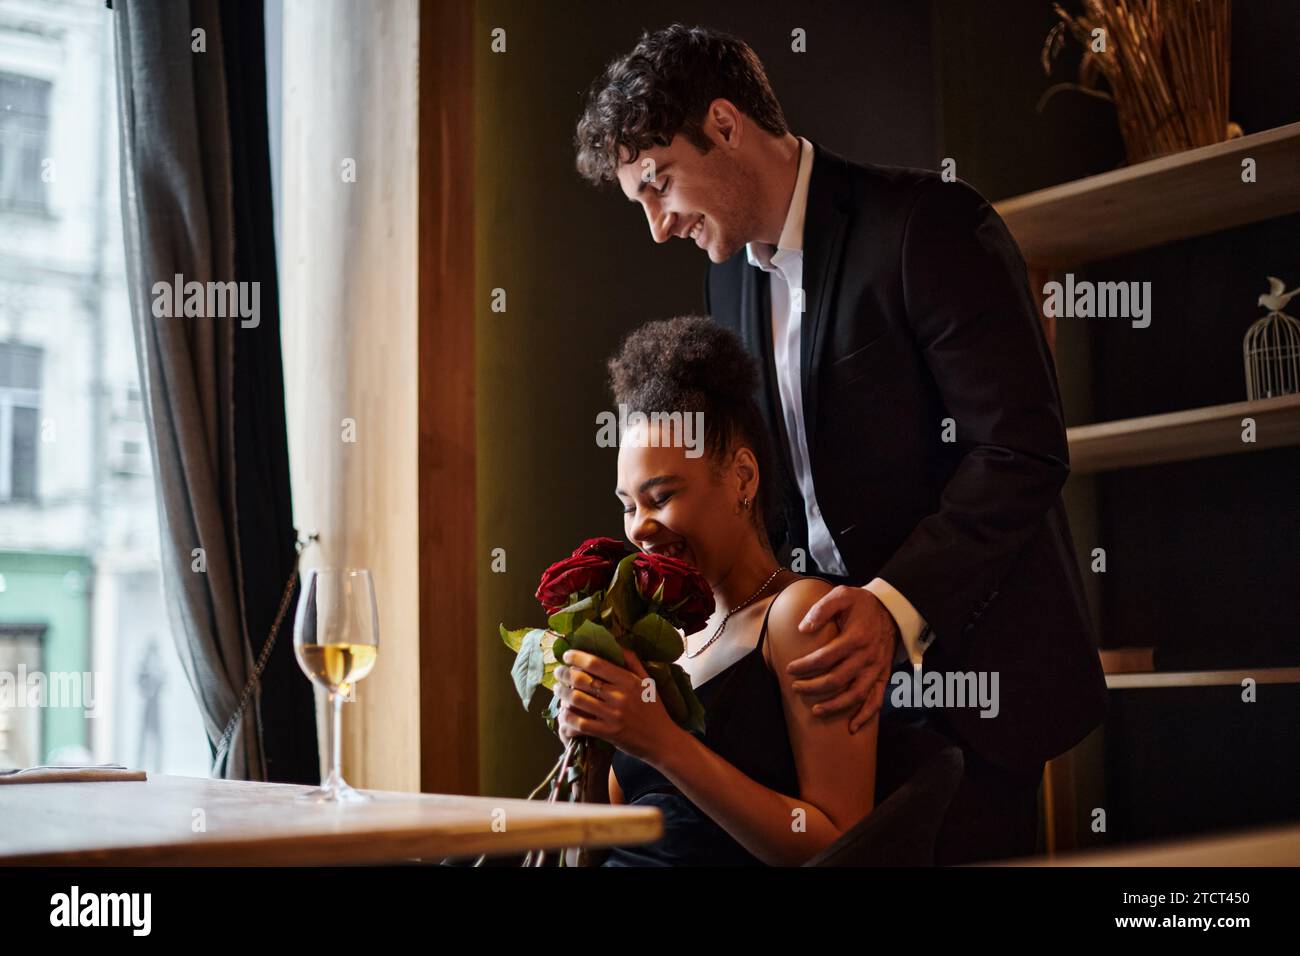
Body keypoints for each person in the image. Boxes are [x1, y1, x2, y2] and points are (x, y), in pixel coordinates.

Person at [574, 23, 1108, 863]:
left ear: (724, 124)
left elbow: (1019, 449)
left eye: (659, 184)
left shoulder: (928, 225)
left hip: (973, 677)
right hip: (820, 692)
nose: (656, 226)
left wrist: (891, 610)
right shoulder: (724, 273)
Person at [553, 316, 877, 866]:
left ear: (742, 479)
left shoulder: (797, 616)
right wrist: (587, 741)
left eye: (660, 497)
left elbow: (841, 844)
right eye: (629, 506)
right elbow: (608, 835)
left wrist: (664, 743)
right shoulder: (663, 637)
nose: (639, 528)